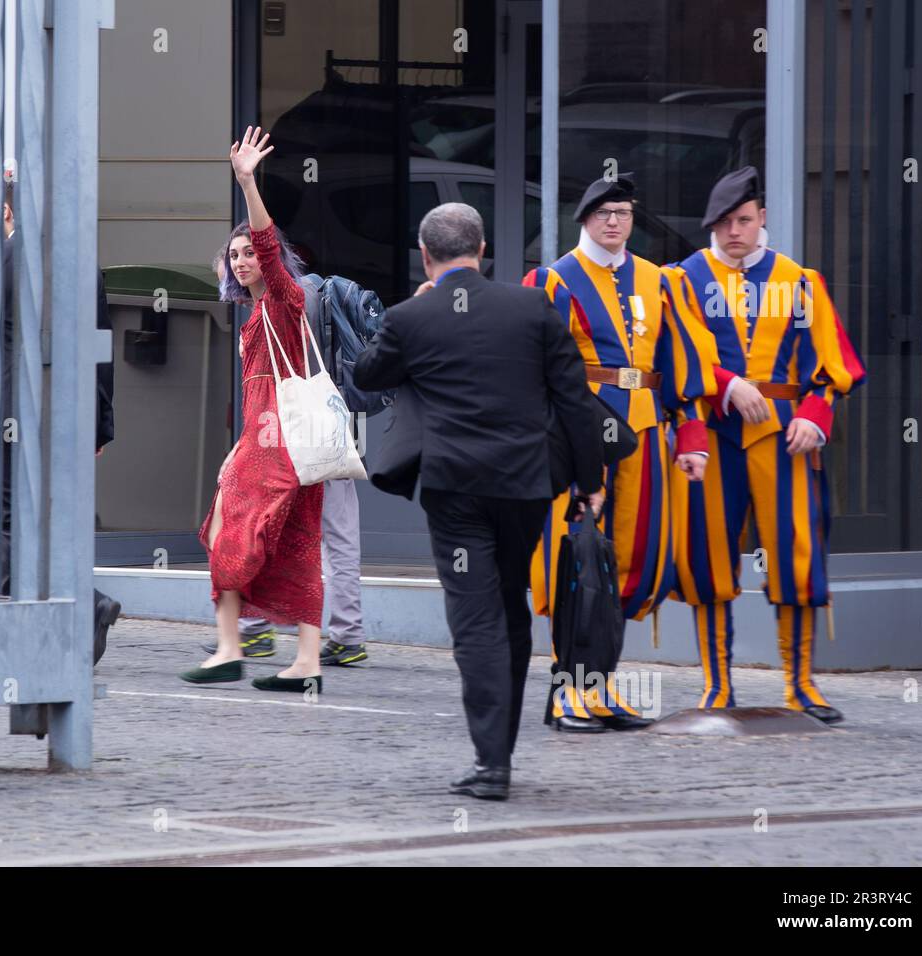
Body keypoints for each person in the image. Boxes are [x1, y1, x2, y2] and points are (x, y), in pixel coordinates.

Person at [354, 202, 604, 800]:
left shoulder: (411, 317)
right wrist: (590, 481)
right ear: (483, 248)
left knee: (476, 617)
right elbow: (575, 400)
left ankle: (493, 764)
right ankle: (502, 750)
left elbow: (366, 373)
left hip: (455, 490)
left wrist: (416, 311)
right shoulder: (533, 306)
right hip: (524, 486)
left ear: (425, 254)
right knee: (510, 604)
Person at [664, 166, 866, 722]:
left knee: (796, 551)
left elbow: (835, 365)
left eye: (745, 220)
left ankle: (800, 684)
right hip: (712, 433)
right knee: (709, 553)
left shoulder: (800, 281)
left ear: (763, 219)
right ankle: (716, 686)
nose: (735, 232)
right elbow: (670, 358)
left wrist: (816, 415)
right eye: (725, 222)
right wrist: (727, 383)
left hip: (787, 439)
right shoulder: (680, 281)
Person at [521, 173, 719, 732]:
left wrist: (693, 440)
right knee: (576, 559)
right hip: (581, 435)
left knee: (629, 562)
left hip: (648, 435)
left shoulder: (660, 280)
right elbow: (535, 369)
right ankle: (567, 693)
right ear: (583, 219)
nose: (614, 222)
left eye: (624, 212)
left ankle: (601, 688)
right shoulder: (553, 281)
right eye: (604, 212)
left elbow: (683, 363)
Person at [181, 126, 325, 693]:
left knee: (224, 532)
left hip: (278, 446)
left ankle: (228, 649)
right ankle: (307, 662)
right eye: (233, 255)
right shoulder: (258, 315)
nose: (243, 260)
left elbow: (267, 241)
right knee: (298, 546)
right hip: (287, 443)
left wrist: (246, 181)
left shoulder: (286, 299)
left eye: (250, 253)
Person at [201, 249, 370, 667]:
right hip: (325, 425)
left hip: (290, 436)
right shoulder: (303, 295)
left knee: (262, 528)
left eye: (237, 271)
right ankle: (345, 634)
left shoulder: (281, 300)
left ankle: (258, 632)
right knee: (334, 531)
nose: (234, 285)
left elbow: (270, 388)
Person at [0, 184, 120, 661]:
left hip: (13, 411)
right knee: (51, 521)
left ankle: (75, 610)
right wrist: (100, 423)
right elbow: (101, 346)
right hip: (69, 414)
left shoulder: (6, 258)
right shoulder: (82, 264)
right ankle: (70, 614)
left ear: (8, 211)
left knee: (8, 520)